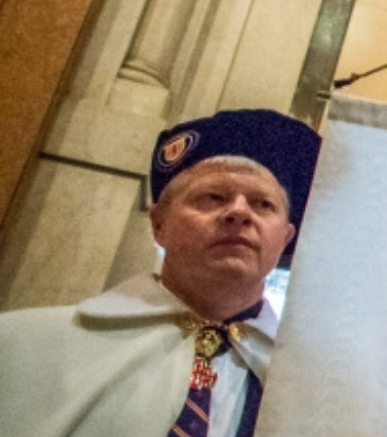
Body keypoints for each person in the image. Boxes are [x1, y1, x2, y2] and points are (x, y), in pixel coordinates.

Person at [0, 109, 319, 437]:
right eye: (213, 197)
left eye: (263, 204)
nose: (239, 212)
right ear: (159, 224)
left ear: (285, 239)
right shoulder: (20, 347)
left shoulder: (311, 390)